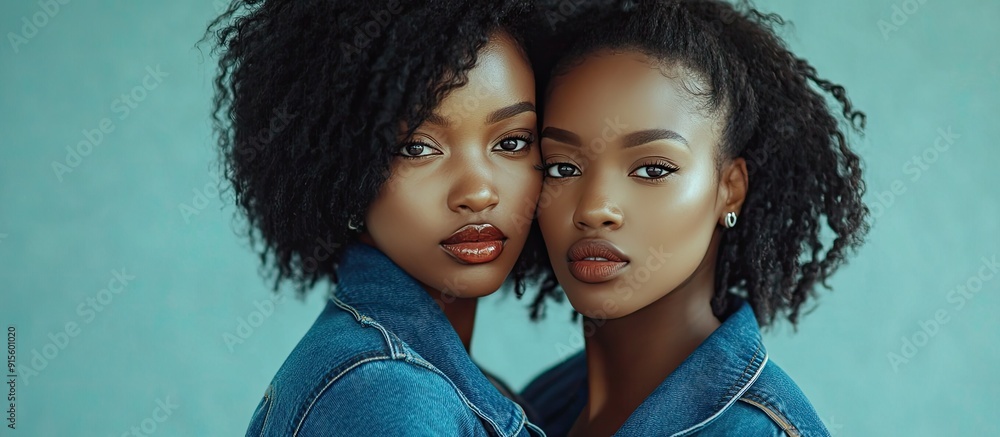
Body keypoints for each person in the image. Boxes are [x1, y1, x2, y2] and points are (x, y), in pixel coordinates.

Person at [522, 0, 869, 435]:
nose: (594, 208)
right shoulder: (542, 404)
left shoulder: (754, 431)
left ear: (730, 190)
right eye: (563, 168)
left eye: (652, 169)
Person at [205, 0, 549, 434]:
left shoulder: (426, 381)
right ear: (342, 168)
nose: (478, 193)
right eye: (417, 147)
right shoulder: (392, 396)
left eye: (513, 142)